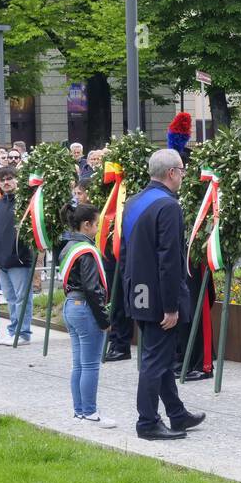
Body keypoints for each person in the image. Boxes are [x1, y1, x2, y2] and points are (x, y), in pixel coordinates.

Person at [121, 148, 205, 440]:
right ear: (171, 173)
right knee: (155, 360)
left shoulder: (133, 202)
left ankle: (177, 413)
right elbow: (169, 260)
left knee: (158, 355)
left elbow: (125, 254)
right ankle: (147, 422)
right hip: (158, 296)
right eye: (182, 171)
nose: (183, 176)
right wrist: (171, 306)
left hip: (138, 292)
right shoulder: (168, 206)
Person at [61, 203, 114, 425]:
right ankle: (90, 411)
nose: (98, 228)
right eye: (96, 224)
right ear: (86, 225)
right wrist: (104, 320)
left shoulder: (68, 245)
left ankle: (80, 409)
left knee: (79, 364)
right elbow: (92, 289)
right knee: (90, 365)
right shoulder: (86, 251)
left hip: (70, 305)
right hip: (85, 307)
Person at [0, 165, 34, 346]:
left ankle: (23, 332)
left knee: (22, 297)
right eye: (2, 180)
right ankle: (13, 329)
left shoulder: (25, 202)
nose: (6, 182)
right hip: (1, 260)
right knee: (10, 299)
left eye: (10, 178)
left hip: (19, 258)